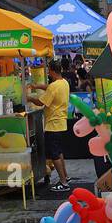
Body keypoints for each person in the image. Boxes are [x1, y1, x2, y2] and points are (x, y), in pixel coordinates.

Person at [29, 61, 70, 192]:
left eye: (48, 70)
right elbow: (49, 88)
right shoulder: (64, 83)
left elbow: (41, 102)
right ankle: (66, 176)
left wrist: (28, 98)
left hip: (53, 124)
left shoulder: (54, 86)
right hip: (61, 123)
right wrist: (37, 86)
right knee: (59, 152)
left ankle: (63, 183)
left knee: (54, 155)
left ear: (51, 71)